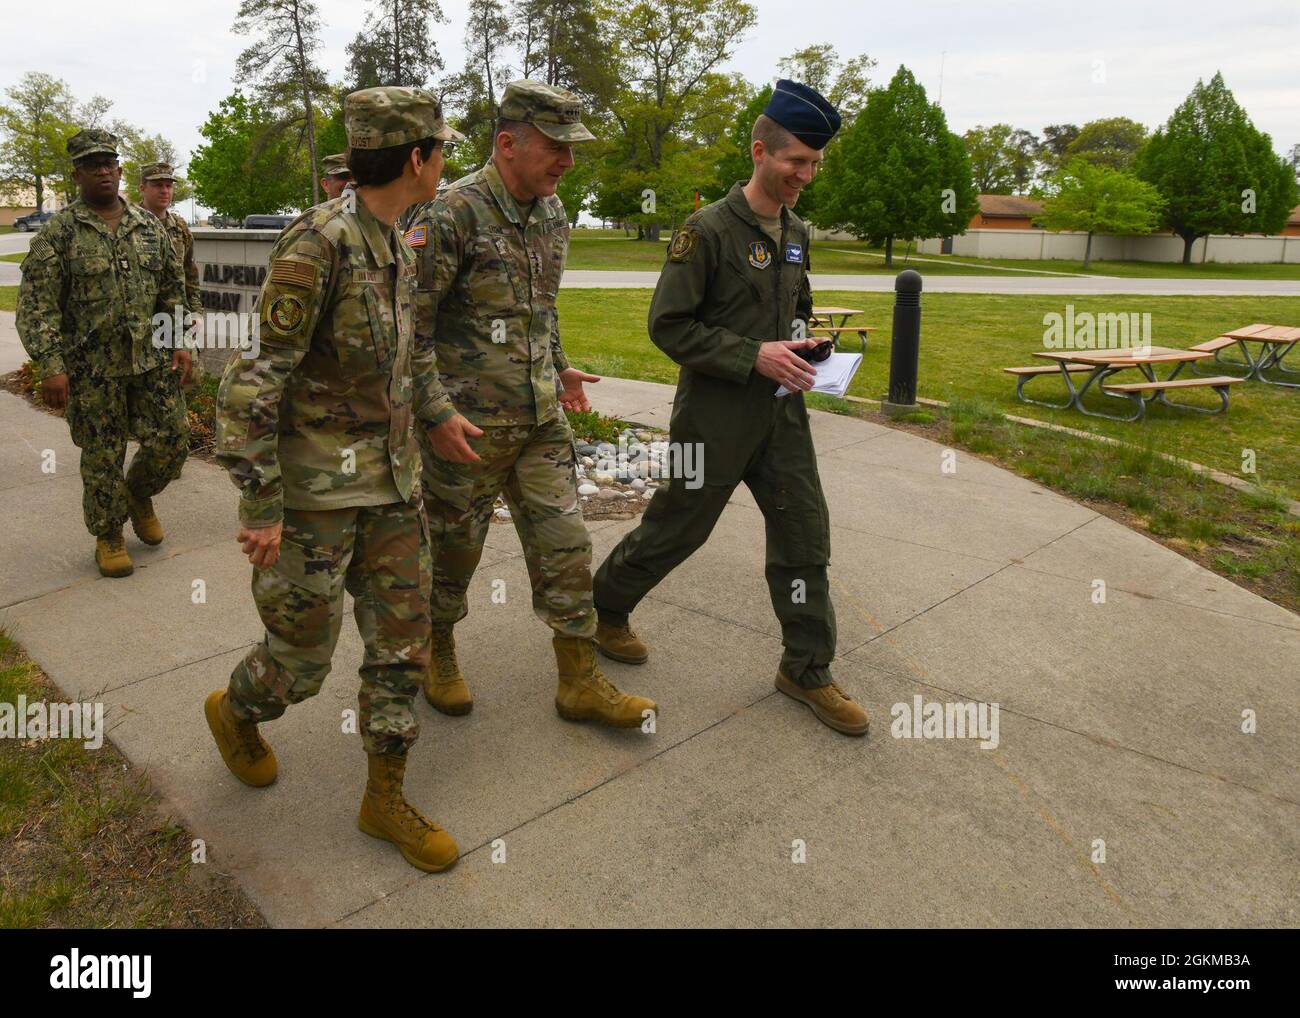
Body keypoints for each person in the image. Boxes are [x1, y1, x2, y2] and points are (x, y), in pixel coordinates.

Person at [206, 87, 466, 874]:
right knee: (300, 664)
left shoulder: (402, 240)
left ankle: (383, 797)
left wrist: (441, 415)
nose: (445, 161)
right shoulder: (315, 246)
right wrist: (260, 505)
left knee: (403, 649)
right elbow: (255, 382)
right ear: (416, 159)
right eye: (442, 149)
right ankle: (238, 710)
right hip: (317, 501)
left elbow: (411, 352)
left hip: (393, 491)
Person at [592, 80, 870, 736]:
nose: (805, 175)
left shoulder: (798, 230)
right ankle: (604, 608)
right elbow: (669, 326)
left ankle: (806, 668)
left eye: (814, 164)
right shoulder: (707, 230)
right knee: (677, 528)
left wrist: (803, 344)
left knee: (804, 536)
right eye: (795, 162)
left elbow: (791, 304)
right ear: (759, 151)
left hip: (781, 418)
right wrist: (754, 355)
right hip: (713, 420)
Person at [403, 80, 656, 727]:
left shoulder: (553, 214)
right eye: (556, 146)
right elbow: (409, 328)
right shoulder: (449, 214)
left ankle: (578, 680)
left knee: (567, 546)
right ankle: (437, 650)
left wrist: (559, 361)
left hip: (539, 419)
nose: (568, 161)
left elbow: (540, 307)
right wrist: (432, 413)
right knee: (452, 556)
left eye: (573, 148)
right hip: (465, 429)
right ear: (507, 143)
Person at [16, 129, 190, 578]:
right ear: (77, 174)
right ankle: (109, 534)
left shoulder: (149, 226)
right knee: (102, 455)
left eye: (109, 163)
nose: (103, 171)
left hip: (150, 361)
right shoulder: (58, 233)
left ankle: (137, 494)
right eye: (93, 165)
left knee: (172, 440)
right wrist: (51, 366)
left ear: (119, 169)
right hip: (92, 371)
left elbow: (172, 292)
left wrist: (181, 341)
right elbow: (37, 307)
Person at [137, 162, 203, 324]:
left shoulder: (180, 227)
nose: (165, 191)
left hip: (176, 321)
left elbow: (190, 274)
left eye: (168, 185)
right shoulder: (128, 226)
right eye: (158, 185)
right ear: (142, 188)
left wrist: (196, 312)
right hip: (140, 322)